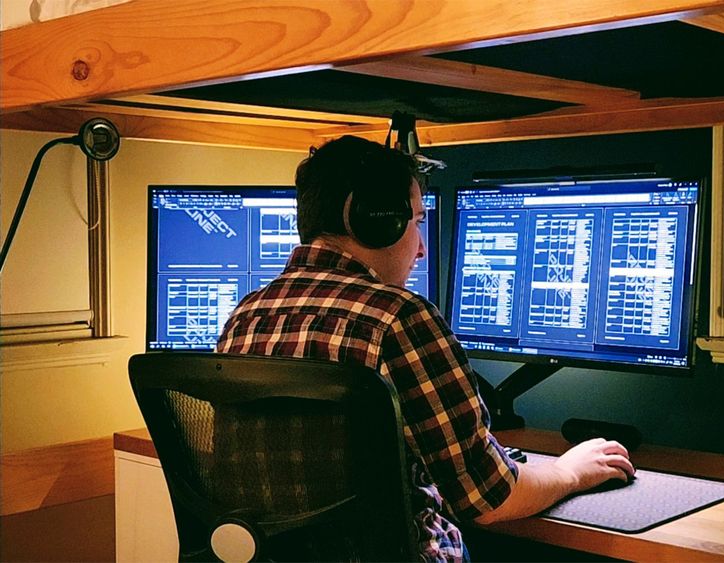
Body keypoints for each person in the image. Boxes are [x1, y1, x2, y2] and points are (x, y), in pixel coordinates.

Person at [216, 135, 634, 562]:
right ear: (376, 220)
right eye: (416, 221)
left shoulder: (245, 317)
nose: (420, 248)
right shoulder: (399, 317)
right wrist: (569, 470)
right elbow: (489, 500)